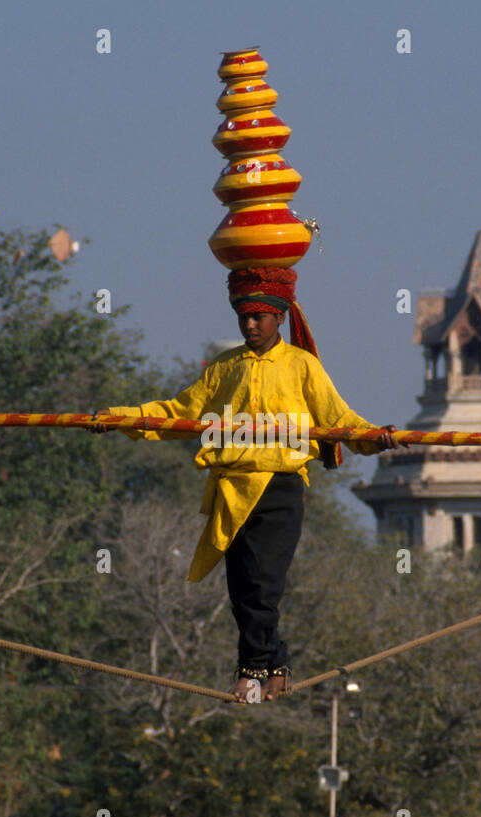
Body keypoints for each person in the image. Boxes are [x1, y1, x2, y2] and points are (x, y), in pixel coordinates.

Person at [88, 268, 404, 704]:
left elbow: (339, 419)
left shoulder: (301, 366)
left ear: (280, 317)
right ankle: (276, 663)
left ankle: (251, 670)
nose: (250, 325)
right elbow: (178, 413)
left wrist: (374, 437)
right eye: (244, 317)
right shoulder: (224, 368)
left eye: (259, 317)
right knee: (242, 590)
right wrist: (121, 417)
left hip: (280, 486)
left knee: (264, 584)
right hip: (231, 488)